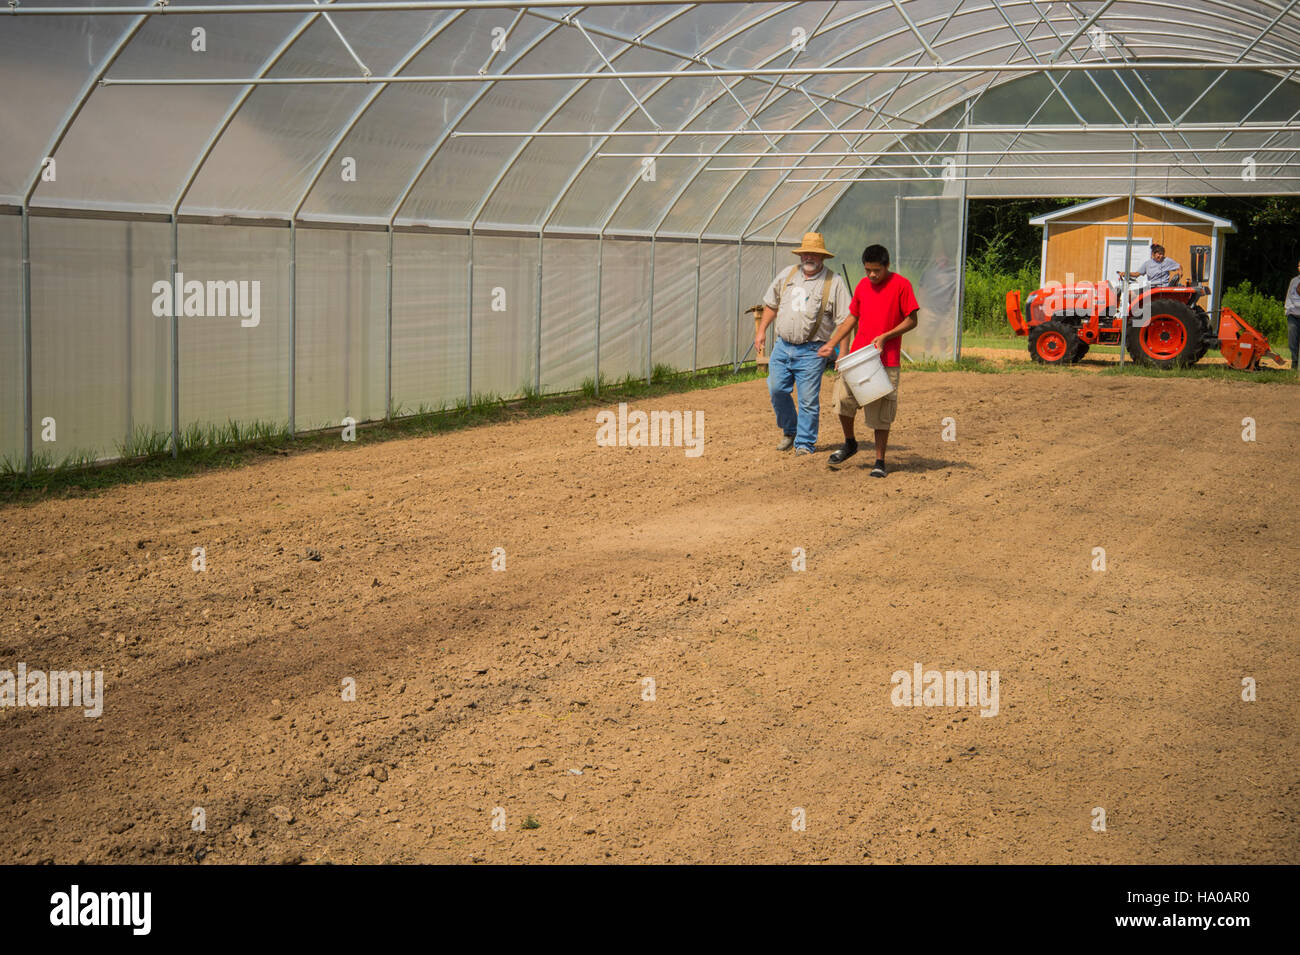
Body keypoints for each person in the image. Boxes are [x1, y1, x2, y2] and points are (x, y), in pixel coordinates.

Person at [817, 244, 918, 478]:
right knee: (842, 401)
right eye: (867, 270)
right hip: (858, 357)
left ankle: (879, 460)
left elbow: (912, 320)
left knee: (880, 413)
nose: (872, 275)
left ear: (887, 266)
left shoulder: (901, 285)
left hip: (886, 360)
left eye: (876, 270)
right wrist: (833, 344)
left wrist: (885, 336)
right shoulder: (863, 286)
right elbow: (853, 316)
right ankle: (850, 443)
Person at [754, 232, 852, 456]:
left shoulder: (833, 282)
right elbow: (771, 304)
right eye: (806, 253)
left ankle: (804, 443)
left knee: (808, 399)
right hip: (782, 345)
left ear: (822, 257)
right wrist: (761, 331)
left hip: (812, 350)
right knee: (776, 389)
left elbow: (845, 320)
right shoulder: (787, 275)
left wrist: (843, 352)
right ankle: (790, 430)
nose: (809, 257)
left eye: (814, 254)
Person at [1286, 258, 1300, 371]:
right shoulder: (1294, 281)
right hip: (1293, 316)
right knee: (1293, 341)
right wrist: (1288, 309)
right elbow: (1289, 296)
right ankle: (1294, 365)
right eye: (1299, 265)